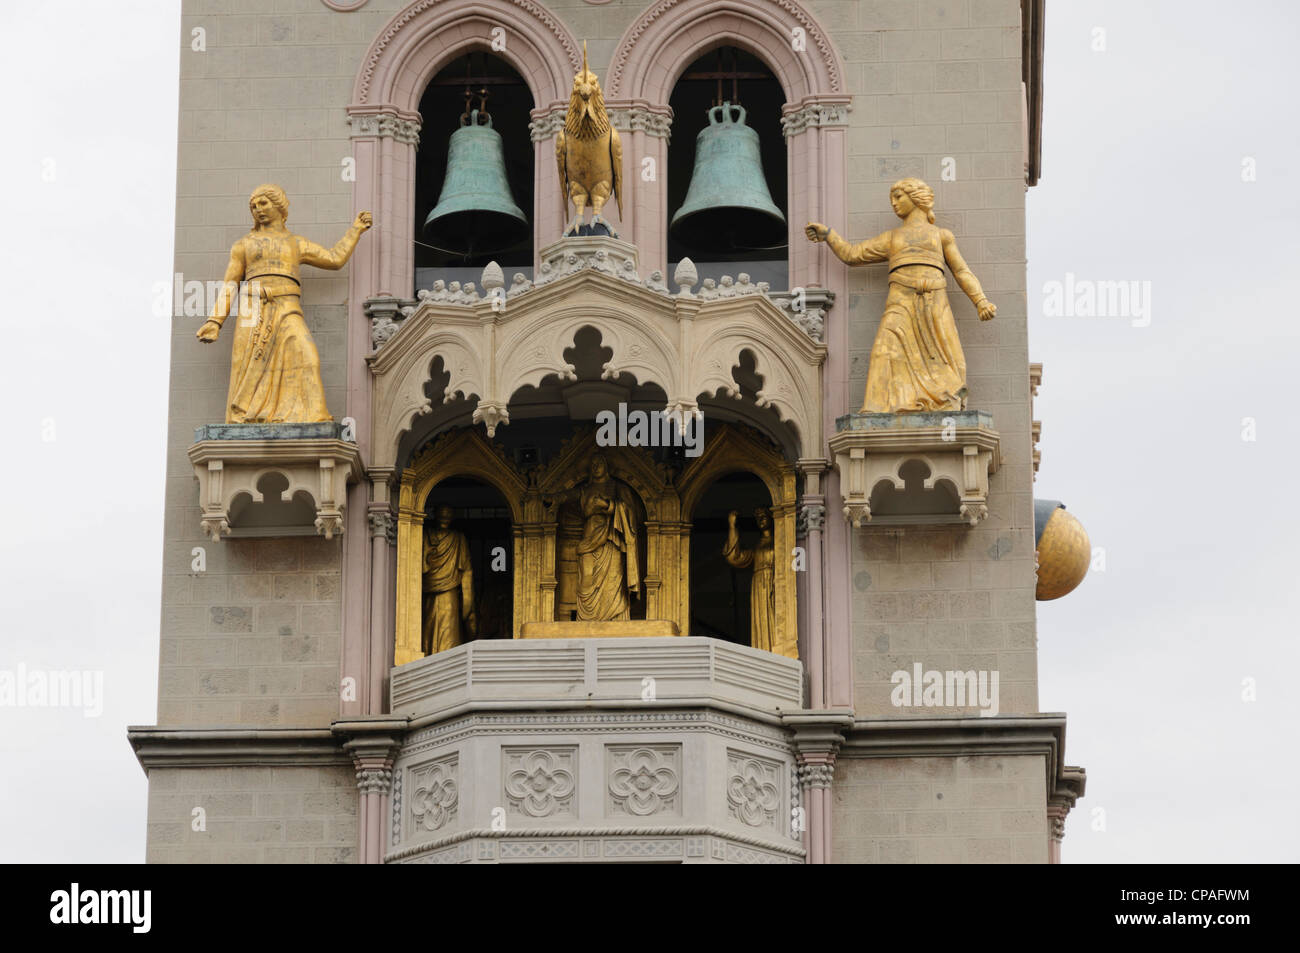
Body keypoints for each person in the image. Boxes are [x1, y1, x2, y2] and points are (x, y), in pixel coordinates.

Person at [806, 177, 995, 413]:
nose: (894, 204)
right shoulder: (892, 238)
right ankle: (875, 409)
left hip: (934, 302)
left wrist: (981, 301)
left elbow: (961, 271)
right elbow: (853, 255)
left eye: (898, 197)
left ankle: (941, 402)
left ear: (916, 198)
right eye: (891, 199)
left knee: (941, 356)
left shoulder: (941, 236)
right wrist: (829, 235)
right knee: (884, 349)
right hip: (900, 301)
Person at [196, 184, 372, 423]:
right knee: (247, 366)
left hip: (288, 307)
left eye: (264, 203)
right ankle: (248, 417)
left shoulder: (295, 243)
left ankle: (312, 416)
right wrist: (214, 321)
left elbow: (334, 259)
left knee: (307, 356)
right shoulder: (243, 245)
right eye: (254, 206)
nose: (258, 210)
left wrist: (355, 231)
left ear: (279, 205)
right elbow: (230, 284)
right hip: (253, 308)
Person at [422, 505, 476, 654]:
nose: (444, 519)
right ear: (435, 516)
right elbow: (421, 566)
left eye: (447, 516)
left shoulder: (458, 539)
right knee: (429, 628)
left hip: (450, 592)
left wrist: (468, 603)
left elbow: (466, 570)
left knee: (449, 631)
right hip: (430, 590)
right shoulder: (426, 536)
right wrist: (428, 557)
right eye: (442, 516)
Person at [724, 507, 777, 653]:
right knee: (761, 621)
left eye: (763, 516)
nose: (760, 519)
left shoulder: (780, 542)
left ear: (772, 517)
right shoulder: (757, 547)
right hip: (759, 585)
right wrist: (732, 526)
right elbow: (735, 557)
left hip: (775, 583)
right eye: (757, 517)